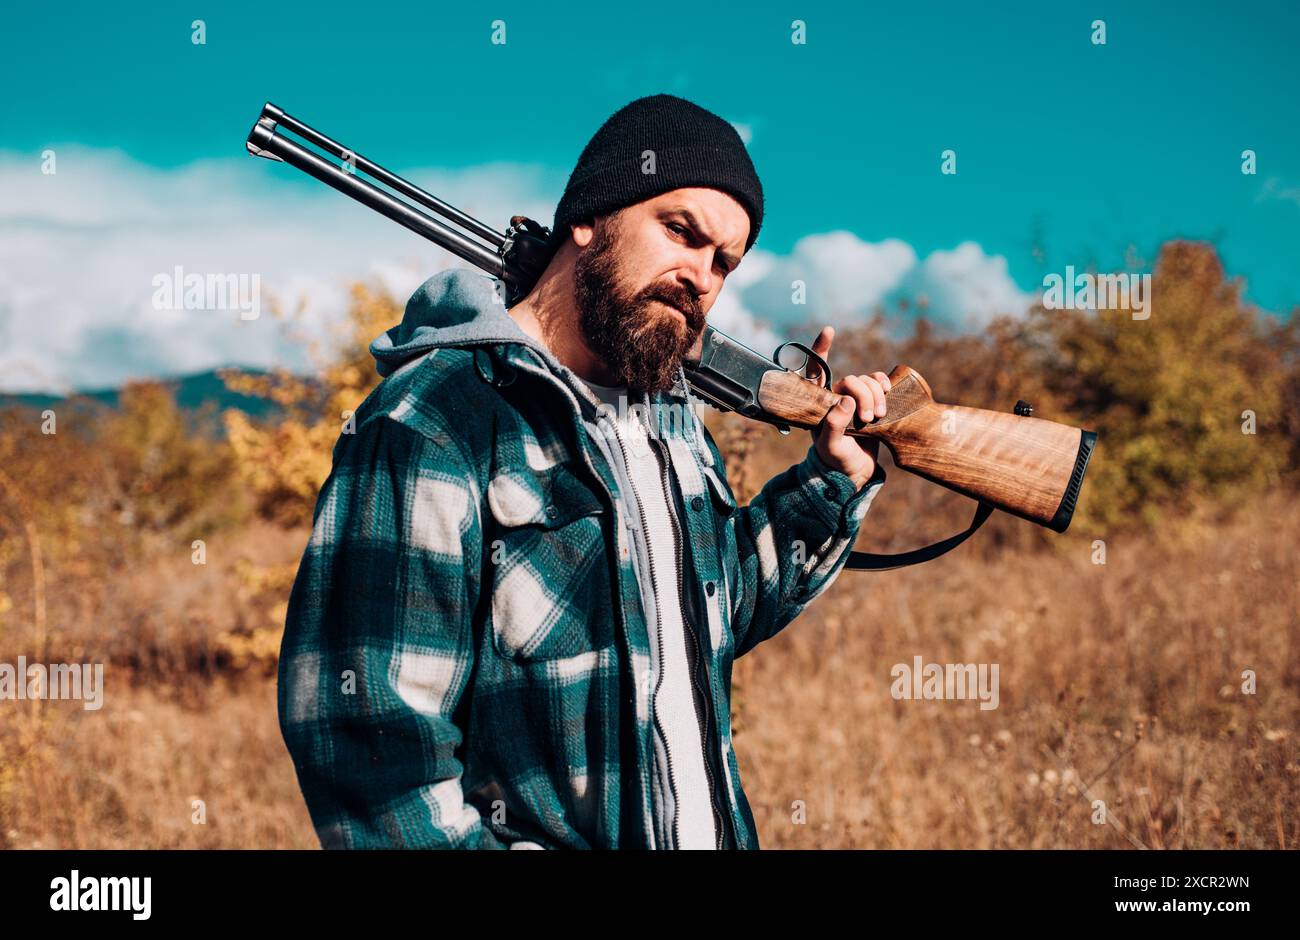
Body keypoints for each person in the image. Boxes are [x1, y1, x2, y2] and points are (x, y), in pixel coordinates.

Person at [278, 93, 892, 849]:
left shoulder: (668, 423)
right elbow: (373, 754)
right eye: (680, 231)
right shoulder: (432, 421)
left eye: (722, 262)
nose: (700, 275)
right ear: (589, 216)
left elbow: (707, 617)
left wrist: (831, 480)